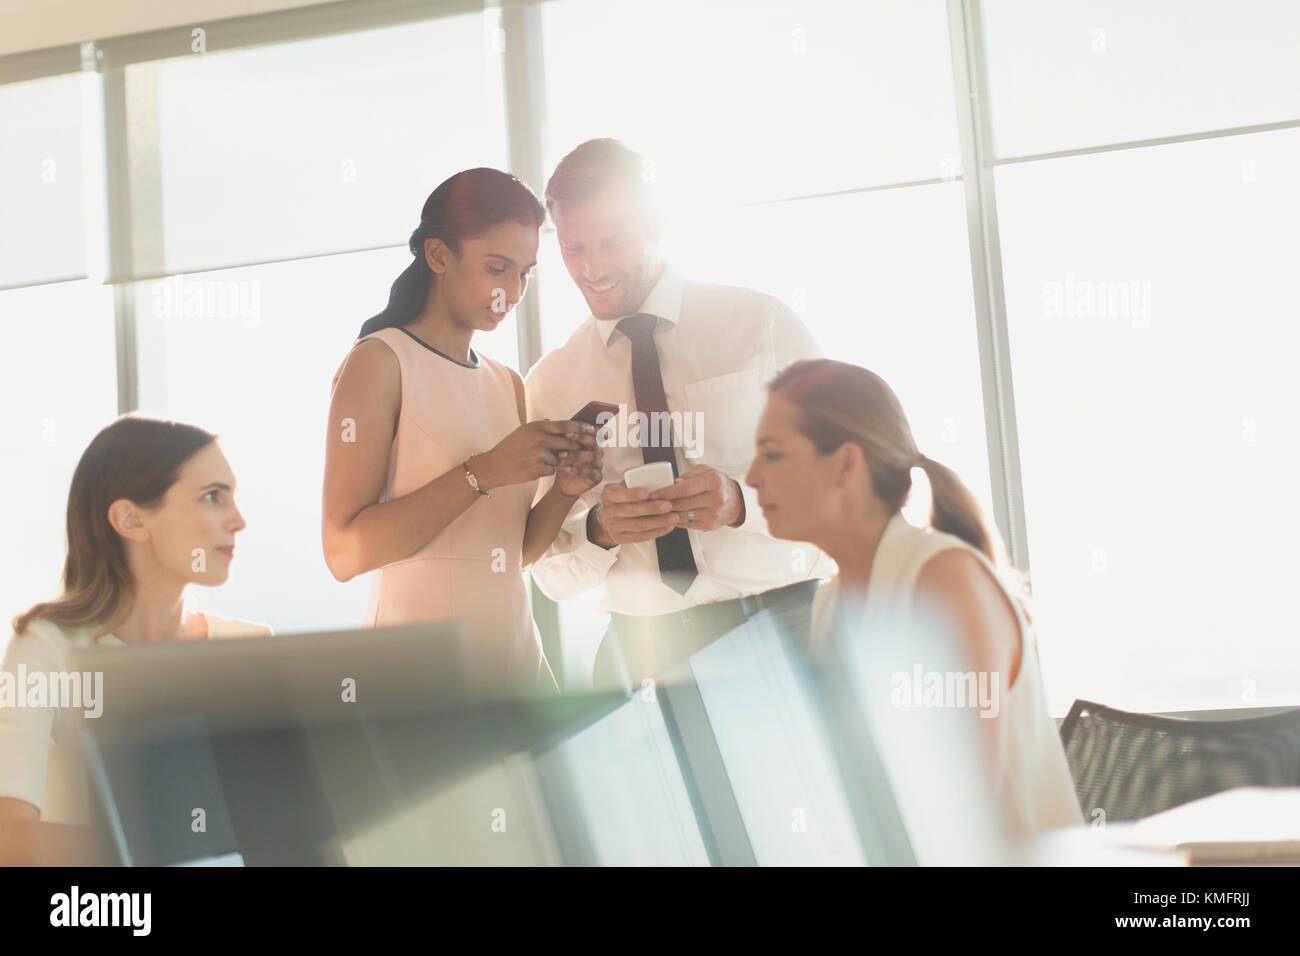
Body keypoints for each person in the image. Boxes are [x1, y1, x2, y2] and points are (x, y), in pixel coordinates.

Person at [524, 139, 833, 690]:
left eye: (613, 242)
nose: (591, 269)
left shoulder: (760, 325)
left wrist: (743, 502)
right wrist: (600, 531)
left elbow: (855, 490)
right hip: (641, 655)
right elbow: (550, 572)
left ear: (655, 223)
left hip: (783, 627)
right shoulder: (551, 384)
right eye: (573, 248)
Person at [743, 358, 1083, 844]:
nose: (752, 476)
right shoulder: (832, 602)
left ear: (845, 464)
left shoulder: (945, 584)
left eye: (772, 455)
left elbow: (959, 820)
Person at [323, 168, 602, 694]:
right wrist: (487, 470)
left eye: (526, 273)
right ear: (438, 256)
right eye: (497, 268)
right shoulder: (379, 363)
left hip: (518, 672)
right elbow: (343, 553)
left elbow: (505, 557)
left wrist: (566, 492)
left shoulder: (509, 384)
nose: (512, 291)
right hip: (416, 682)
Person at [0, 415, 271, 863]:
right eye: (212, 497)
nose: (238, 521)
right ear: (130, 520)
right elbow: (9, 841)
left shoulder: (250, 647)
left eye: (232, 497)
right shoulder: (45, 650)